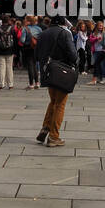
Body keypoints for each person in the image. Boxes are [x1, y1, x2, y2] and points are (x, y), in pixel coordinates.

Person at [35, 15, 77, 147]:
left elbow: (36, 54)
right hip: (61, 72)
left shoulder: (42, 34)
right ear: (62, 23)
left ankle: (45, 127)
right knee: (60, 104)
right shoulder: (65, 33)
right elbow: (73, 55)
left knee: (53, 101)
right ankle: (54, 136)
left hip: (48, 71)